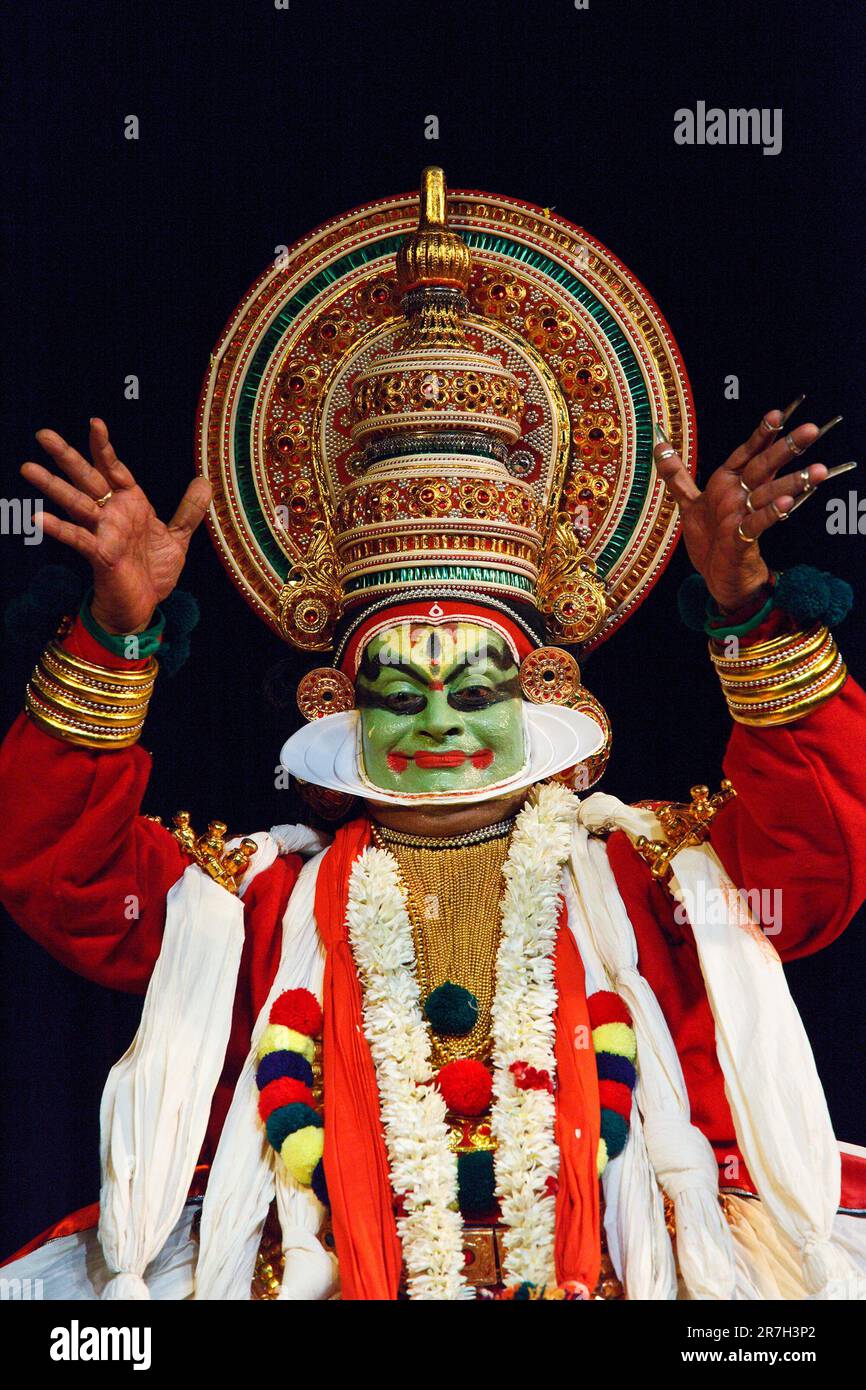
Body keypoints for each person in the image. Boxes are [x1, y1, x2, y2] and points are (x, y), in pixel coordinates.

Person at [1, 169, 863, 1301]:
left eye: (476, 684)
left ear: (543, 686)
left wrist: (748, 616)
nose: (442, 720)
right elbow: (67, 874)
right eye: (401, 691)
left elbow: (820, 855)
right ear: (337, 709)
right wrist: (117, 633)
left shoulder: (652, 874)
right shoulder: (253, 903)